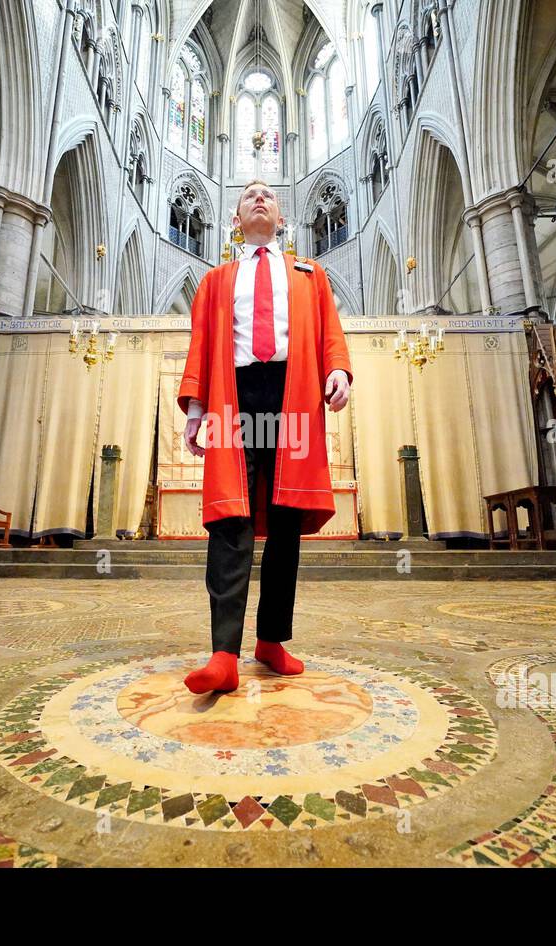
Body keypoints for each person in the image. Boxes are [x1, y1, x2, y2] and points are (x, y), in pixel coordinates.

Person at [177, 179, 353, 694]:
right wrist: (195, 409)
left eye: (269, 196)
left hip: (291, 392)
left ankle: (271, 640)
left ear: (281, 219)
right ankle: (223, 653)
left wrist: (338, 371)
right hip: (235, 394)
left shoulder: (310, 274)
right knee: (230, 516)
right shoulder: (215, 281)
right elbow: (202, 346)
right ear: (235, 220)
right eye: (250, 195)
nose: (260, 198)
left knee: (285, 519)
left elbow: (329, 334)